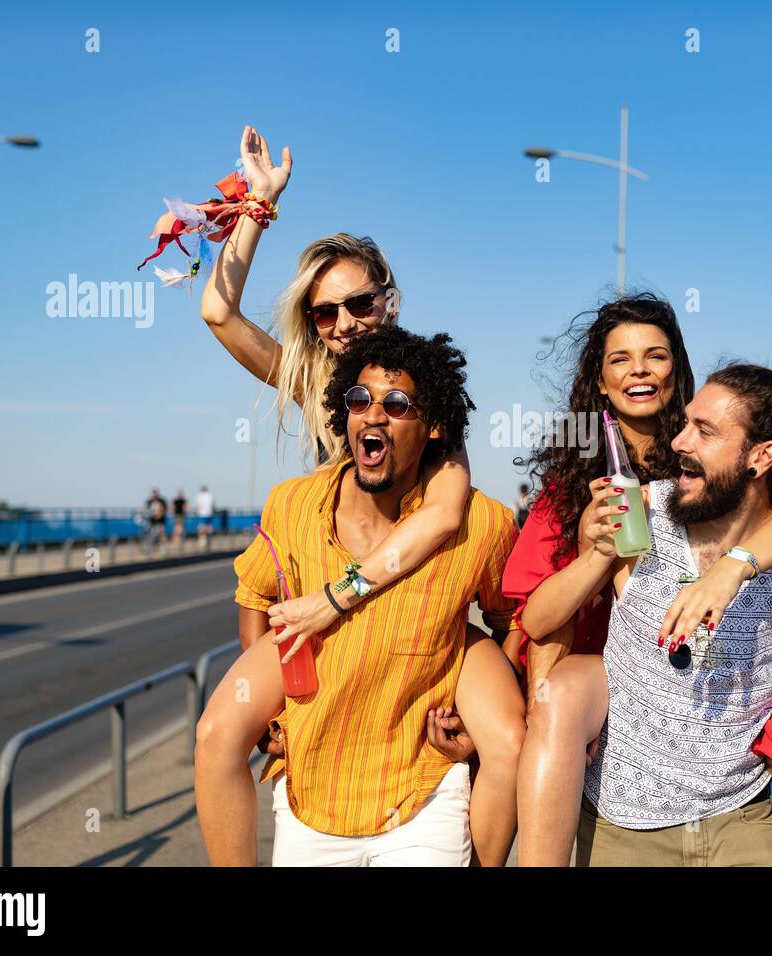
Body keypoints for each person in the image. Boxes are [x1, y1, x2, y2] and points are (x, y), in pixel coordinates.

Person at [194, 126, 524, 865]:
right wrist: (255, 207)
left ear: (389, 299)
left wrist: (335, 597)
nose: (343, 324)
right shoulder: (316, 386)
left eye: (359, 304)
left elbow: (444, 518)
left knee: (504, 738)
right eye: (324, 313)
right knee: (220, 732)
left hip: (417, 600)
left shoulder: (426, 397)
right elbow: (217, 312)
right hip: (332, 608)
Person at [505, 294, 772, 864]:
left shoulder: (711, 460)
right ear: (600, 384)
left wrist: (733, 569)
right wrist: (549, 708)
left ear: (676, 370)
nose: (638, 369)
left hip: (722, 672)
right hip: (609, 683)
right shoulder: (574, 487)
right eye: (620, 360)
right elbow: (535, 620)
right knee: (558, 703)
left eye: (654, 355)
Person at [144, 488, 167, 553]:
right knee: (148, 531)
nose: (153, 496)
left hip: (160, 519)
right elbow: (146, 509)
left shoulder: (161, 501)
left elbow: (163, 510)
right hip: (151, 519)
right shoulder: (149, 501)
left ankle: (163, 547)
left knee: (161, 532)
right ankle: (148, 546)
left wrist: (159, 515)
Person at [195, 485, 215, 550]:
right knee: (209, 528)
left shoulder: (199, 496)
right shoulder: (210, 495)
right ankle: (209, 540)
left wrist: (197, 512)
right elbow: (213, 505)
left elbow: (198, 506)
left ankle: (202, 542)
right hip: (209, 514)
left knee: (201, 529)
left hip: (202, 514)